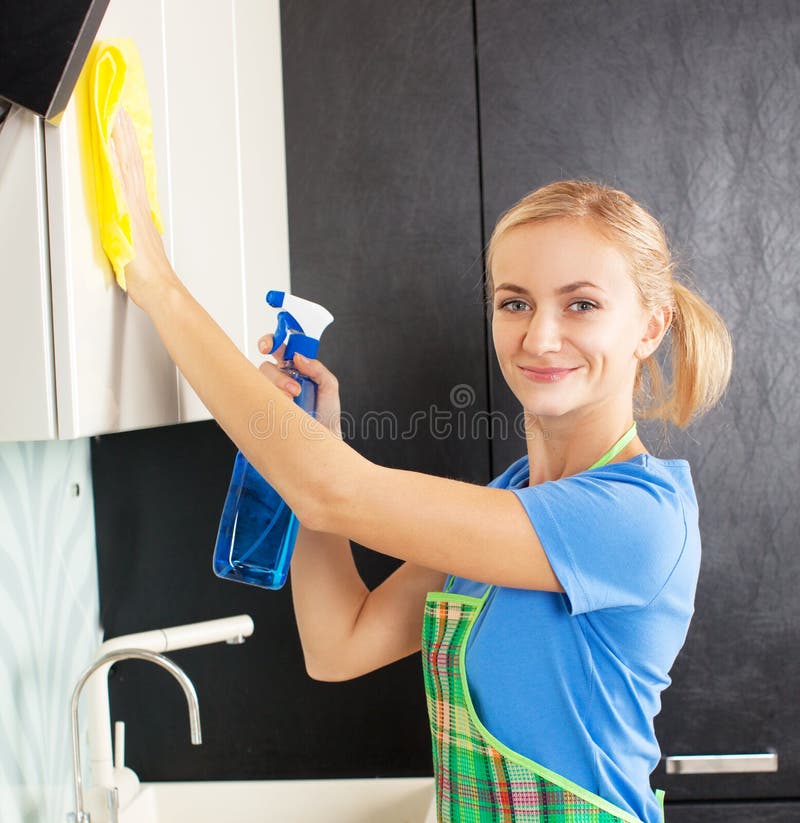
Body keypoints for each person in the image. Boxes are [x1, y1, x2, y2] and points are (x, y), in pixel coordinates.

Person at [110, 108, 733, 823]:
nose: (540, 335)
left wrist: (157, 283)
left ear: (649, 325)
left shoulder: (637, 518)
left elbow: (330, 490)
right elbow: (338, 642)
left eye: (582, 304)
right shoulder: (507, 506)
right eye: (514, 302)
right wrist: (318, 439)